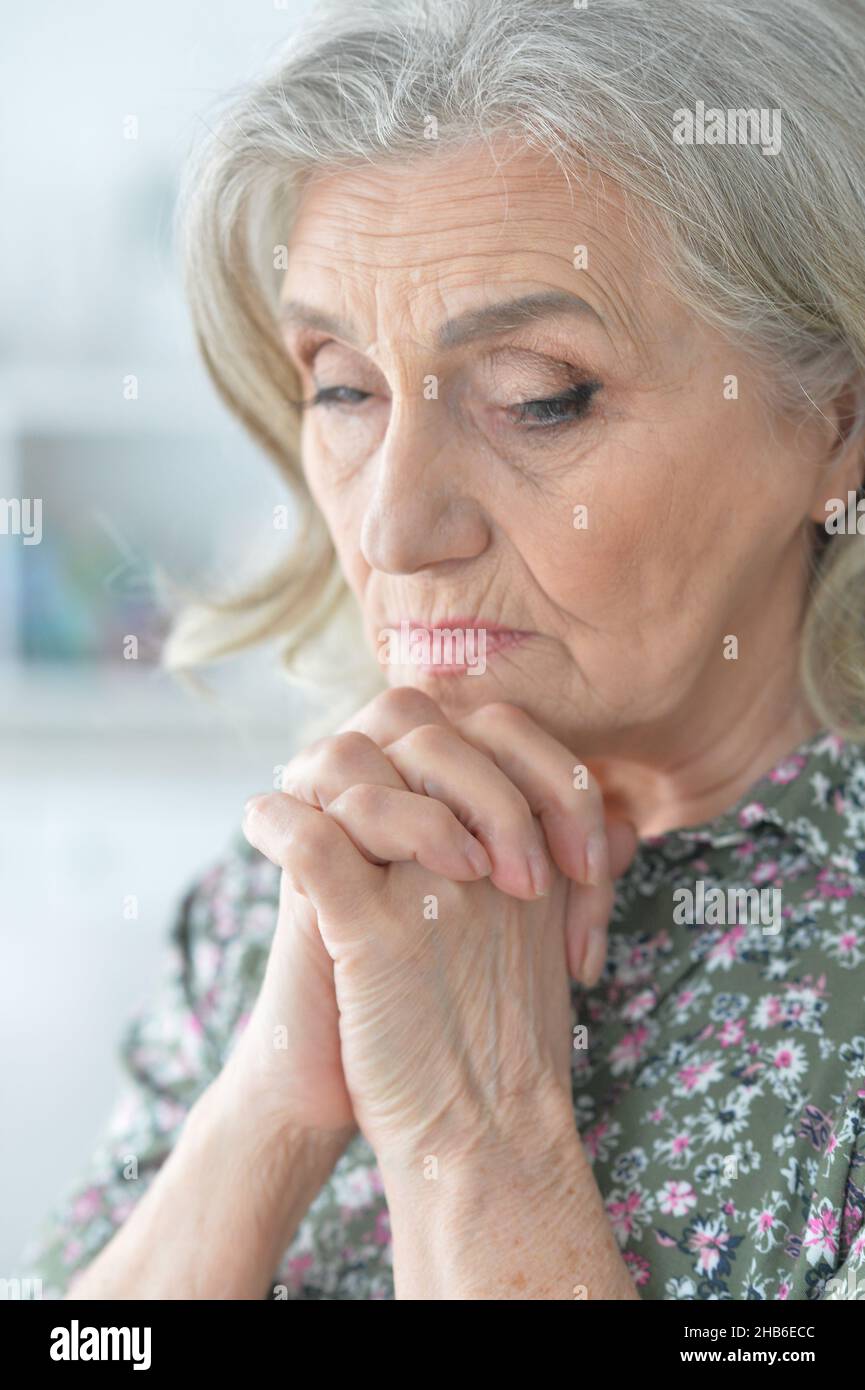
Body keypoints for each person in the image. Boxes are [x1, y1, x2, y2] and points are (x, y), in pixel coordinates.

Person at [18, 0, 865, 1299]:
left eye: (536, 396)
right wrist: (263, 1121)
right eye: (342, 387)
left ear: (834, 422)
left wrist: (478, 1141)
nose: (393, 525)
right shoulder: (281, 884)